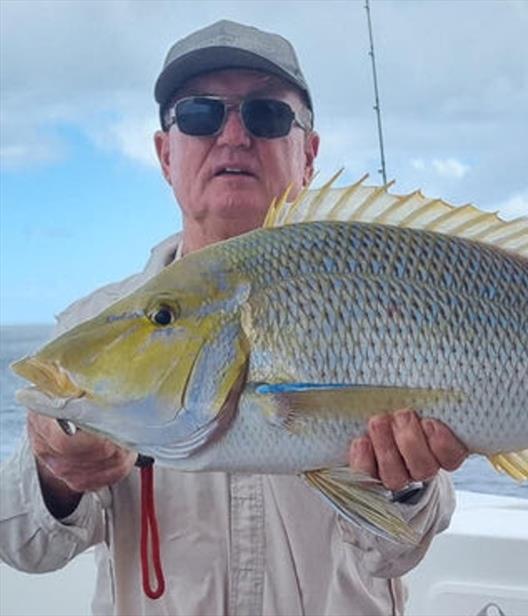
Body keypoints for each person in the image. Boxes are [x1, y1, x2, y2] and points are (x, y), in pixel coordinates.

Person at [0, 20, 467, 615]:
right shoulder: (92, 330)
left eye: (267, 115)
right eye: (199, 115)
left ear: (309, 155)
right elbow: (23, 545)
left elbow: (398, 549)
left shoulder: (386, 294)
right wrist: (57, 473)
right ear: (166, 153)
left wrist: (402, 483)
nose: (234, 136)